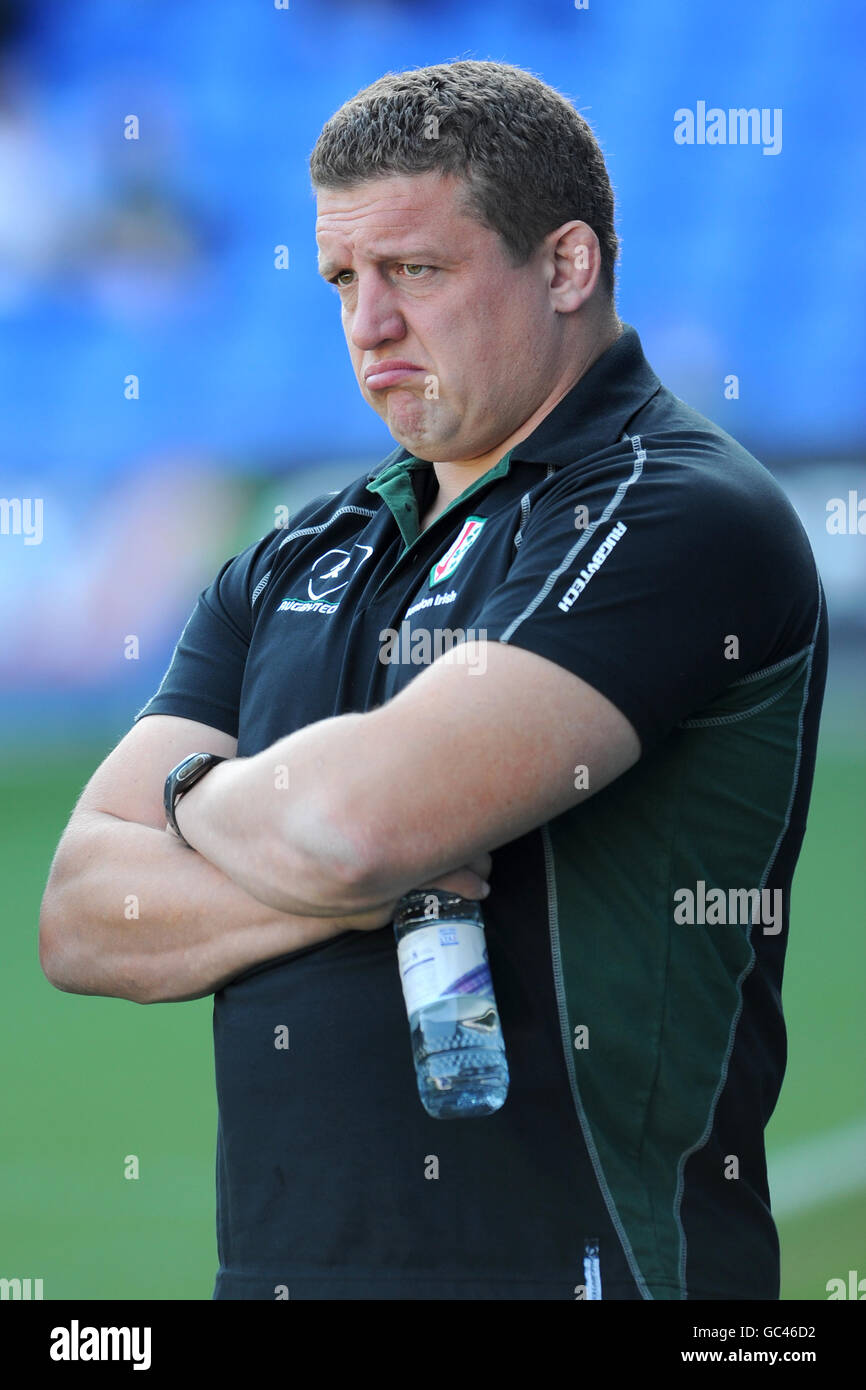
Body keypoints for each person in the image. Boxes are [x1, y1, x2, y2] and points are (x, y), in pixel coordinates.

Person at [39, 59, 827, 1301]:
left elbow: (359, 828)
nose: (367, 325)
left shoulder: (677, 510)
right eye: (343, 281)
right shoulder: (299, 549)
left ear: (566, 267)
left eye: (413, 270)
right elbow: (83, 914)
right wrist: (320, 871)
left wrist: (197, 807)